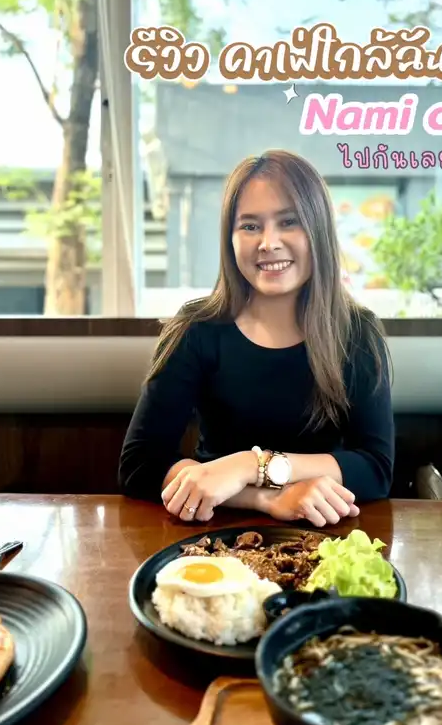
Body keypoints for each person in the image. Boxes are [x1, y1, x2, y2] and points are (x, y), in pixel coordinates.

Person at [119, 149, 395, 527]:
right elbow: (140, 465)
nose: (268, 242)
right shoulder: (196, 328)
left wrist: (252, 465)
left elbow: (376, 469)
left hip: (326, 530)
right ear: (229, 239)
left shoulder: (358, 332)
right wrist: (267, 498)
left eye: (289, 222)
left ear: (318, 231)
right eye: (250, 226)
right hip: (213, 529)